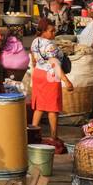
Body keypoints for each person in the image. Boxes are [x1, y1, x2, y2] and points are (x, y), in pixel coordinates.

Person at [29, 18, 73, 151]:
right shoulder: (50, 46)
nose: (54, 33)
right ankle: (54, 136)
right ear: (43, 31)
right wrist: (66, 81)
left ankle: (32, 135)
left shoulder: (35, 41)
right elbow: (55, 65)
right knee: (53, 108)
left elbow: (33, 58)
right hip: (50, 76)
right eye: (51, 31)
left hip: (38, 74)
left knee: (39, 107)